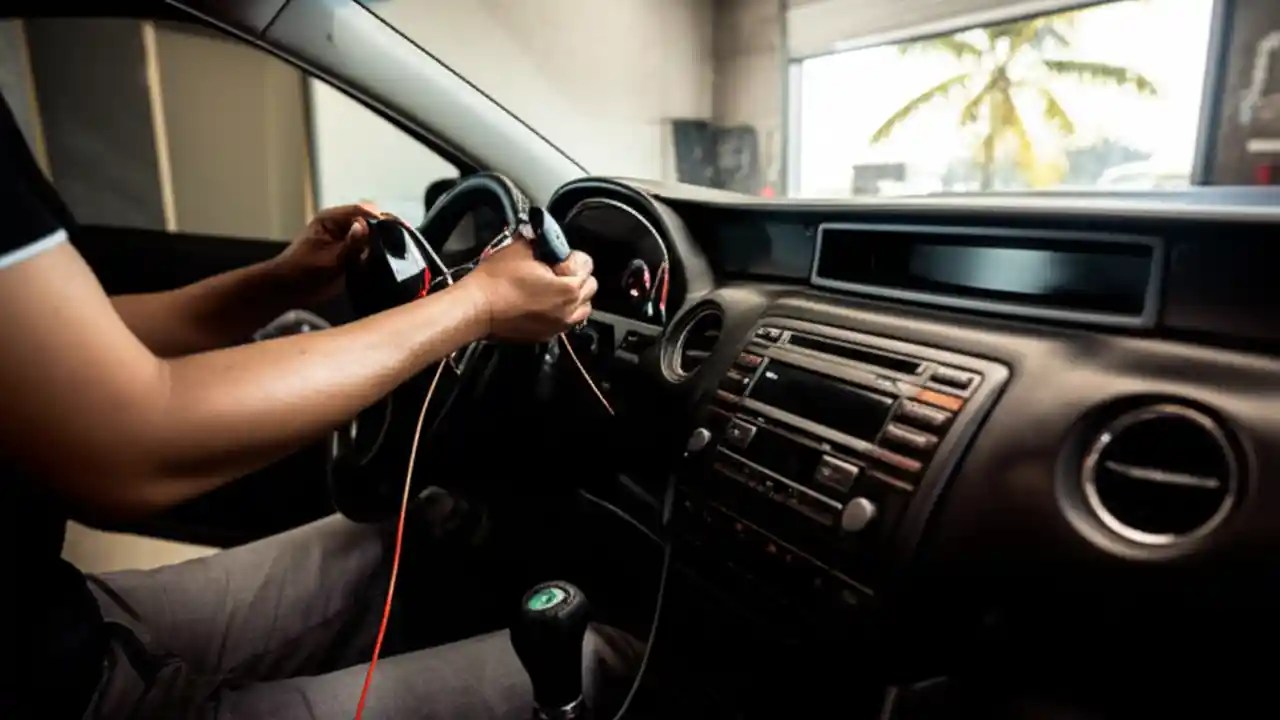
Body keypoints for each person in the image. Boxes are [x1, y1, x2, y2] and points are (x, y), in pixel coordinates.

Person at [0, 88, 620, 719]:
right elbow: (128, 443)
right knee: (601, 667)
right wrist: (477, 307)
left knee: (423, 535)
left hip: (63, 615)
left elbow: (83, 339)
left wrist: (281, 280)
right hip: (63, 695)